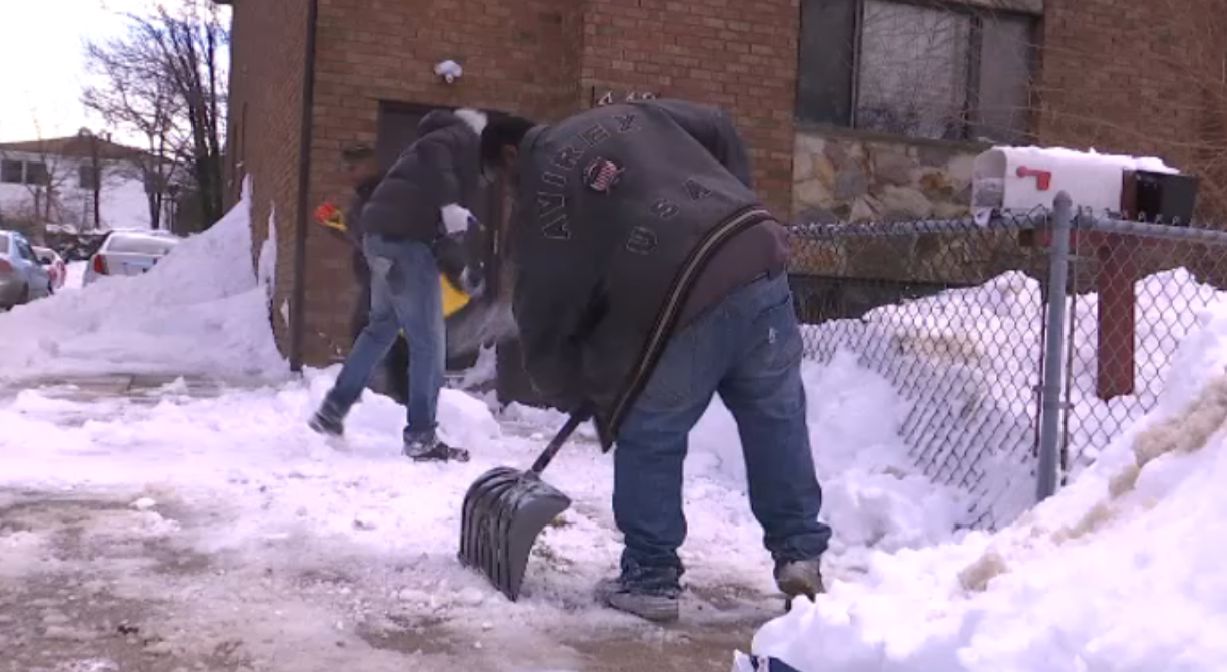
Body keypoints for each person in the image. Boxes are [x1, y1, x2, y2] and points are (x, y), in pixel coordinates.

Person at [479, 99, 831, 622]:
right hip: (757, 254)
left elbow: (545, 304)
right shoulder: (631, 114)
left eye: (501, 179)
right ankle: (800, 554)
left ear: (510, 154)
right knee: (774, 420)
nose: (509, 192)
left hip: (680, 290)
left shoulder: (542, 186)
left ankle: (650, 577)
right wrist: (730, 205)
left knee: (651, 432)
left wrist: (566, 384)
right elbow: (719, 121)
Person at [309, 109, 487, 462]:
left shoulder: (414, 160)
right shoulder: (447, 150)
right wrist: (456, 233)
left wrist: (457, 265)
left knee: (380, 331)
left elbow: (427, 225)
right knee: (429, 345)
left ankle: (332, 411)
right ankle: (421, 437)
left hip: (382, 247)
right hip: (405, 251)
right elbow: (437, 222)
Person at [315, 143, 410, 405]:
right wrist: (336, 225)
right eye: (346, 169)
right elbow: (360, 235)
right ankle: (392, 403)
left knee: (370, 334)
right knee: (385, 338)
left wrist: (344, 226)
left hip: (387, 278)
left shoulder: (381, 194)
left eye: (353, 168)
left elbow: (376, 236)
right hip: (378, 278)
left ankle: (382, 402)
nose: (349, 174)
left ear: (369, 165)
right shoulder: (366, 195)